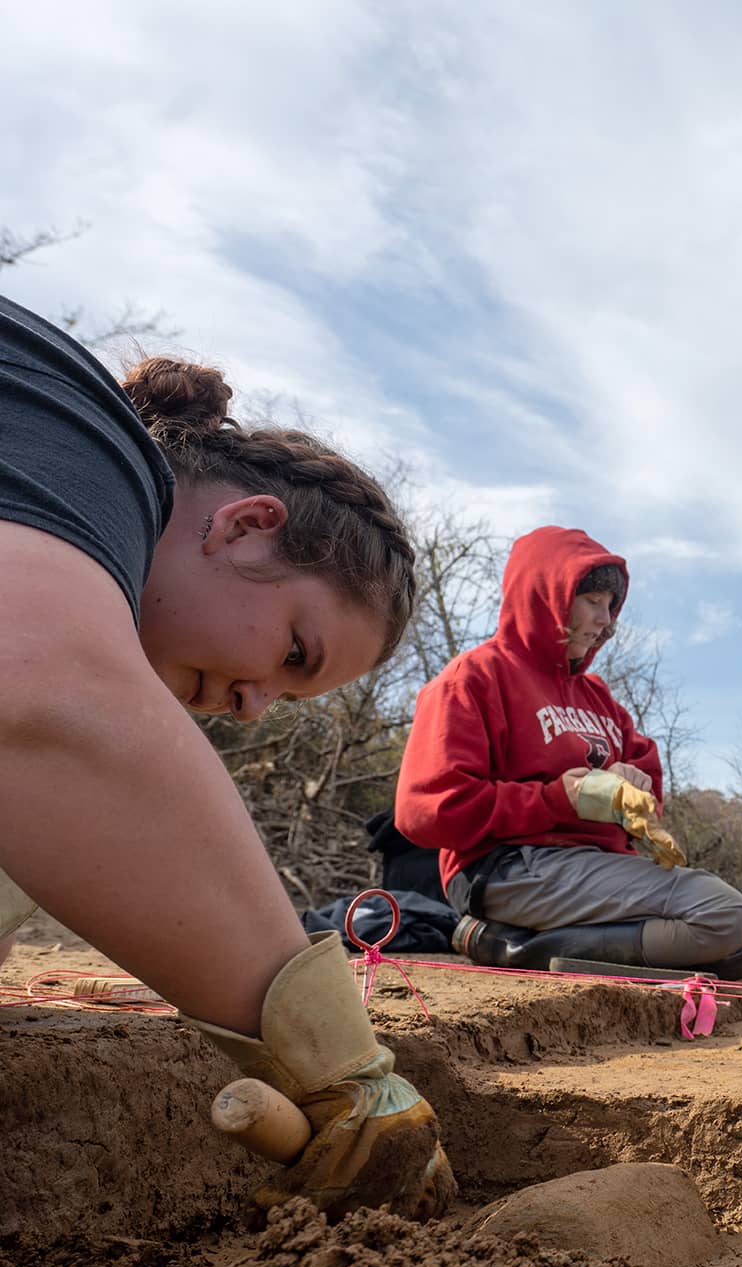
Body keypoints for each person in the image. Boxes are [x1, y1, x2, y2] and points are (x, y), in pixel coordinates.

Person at [0, 297, 450, 1220]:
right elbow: (44, 700)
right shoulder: (90, 441)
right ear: (245, 525)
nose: (251, 709)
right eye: (294, 654)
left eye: (287, 698)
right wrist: (340, 1071)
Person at [395, 526, 742, 977]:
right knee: (721, 916)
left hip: (594, 865)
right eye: (593, 601)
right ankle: (514, 947)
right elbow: (425, 812)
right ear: (547, 595)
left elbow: (643, 762)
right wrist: (558, 799)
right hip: (506, 867)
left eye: (612, 606)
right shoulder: (474, 678)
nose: (606, 620)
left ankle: (549, 948)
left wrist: (634, 786)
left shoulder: (597, 696)